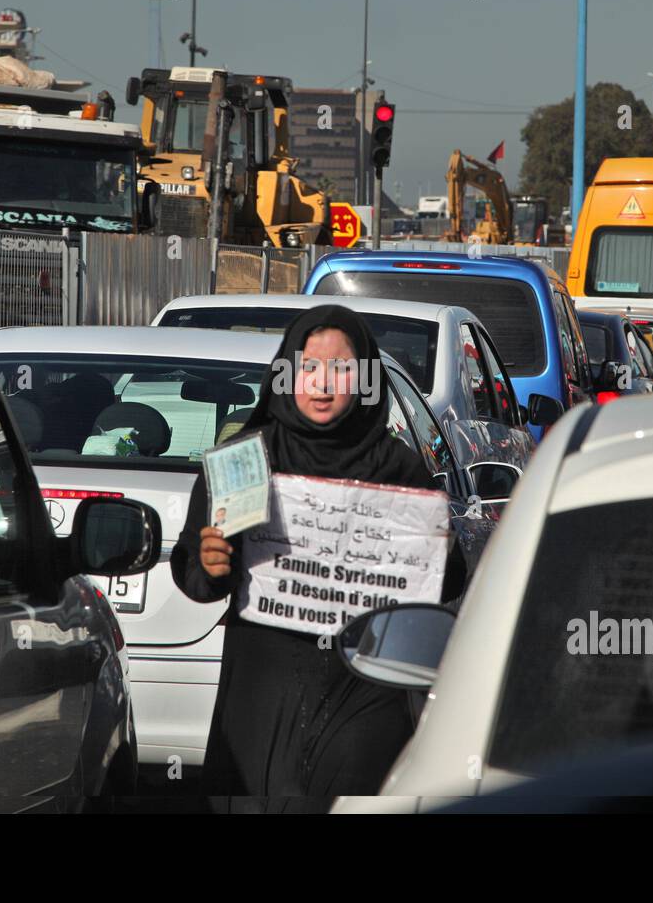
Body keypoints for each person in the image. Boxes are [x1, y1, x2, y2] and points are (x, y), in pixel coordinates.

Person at [171, 304, 467, 808]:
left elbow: (445, 582)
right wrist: (209, 561)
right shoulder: (248, 460)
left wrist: (439, 551)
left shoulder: (400, 471)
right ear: (287, 373)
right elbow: (197, 575)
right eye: (309, 367)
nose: (323, 384)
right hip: (262, 699)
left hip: (365, 699)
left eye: (341, 369)